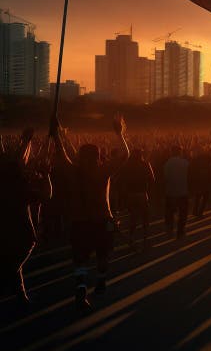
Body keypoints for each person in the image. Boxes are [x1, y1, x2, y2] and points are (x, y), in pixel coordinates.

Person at [51, 114, 130, 312]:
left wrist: (57, 135)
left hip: (79, 223)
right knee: (104, 254)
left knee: (80, 260)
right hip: (103, 221)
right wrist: (119, 134)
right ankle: (101, 280)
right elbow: (125, 154)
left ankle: (81, 289)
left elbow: (61, 153)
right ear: (98, 157)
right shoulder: (102, 171)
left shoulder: (72, 172)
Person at [1, 128, 50, 308]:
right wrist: (46, 175)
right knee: (13, 266)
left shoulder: (5, 183)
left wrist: (26, 142)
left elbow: (17, 161)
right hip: (23, 236)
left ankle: (21, 296)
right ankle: (18, 294)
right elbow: (46, 195)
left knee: (12, 263)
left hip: (7, 235)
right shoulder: (21, 189)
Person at [118, 148, 155, 248]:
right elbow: (152, 179)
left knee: (133, 217)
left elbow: (121, 180)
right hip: (142, 194)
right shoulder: (145, 164)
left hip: (131, 194)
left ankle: (131, 238)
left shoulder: (127, 165)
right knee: (145, 217)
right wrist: (149, 191)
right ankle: (145, 239)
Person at [163, 146, 190, 238]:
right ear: (180, 152)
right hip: (183, 191)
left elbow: (165, 177)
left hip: (171, 191)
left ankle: (170, 229)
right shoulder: (185, 163)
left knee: (170, 212)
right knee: (183, 213)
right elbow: (190, 176)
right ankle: (180, 231)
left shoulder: (168, 163)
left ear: (172, 152)